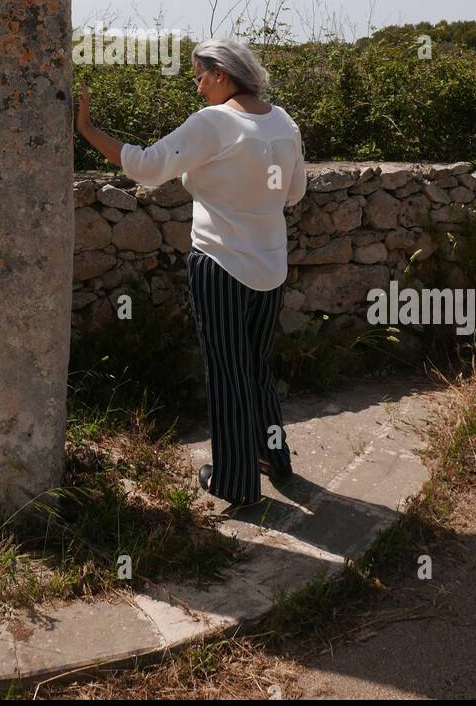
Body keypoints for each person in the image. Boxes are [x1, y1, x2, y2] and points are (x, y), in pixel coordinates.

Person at [75, 36, 307, 506]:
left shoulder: (215, 123)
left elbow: (146, 166)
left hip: (221, 265)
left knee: (227, 372)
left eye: (200, 76)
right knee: (255, 368)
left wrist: (88, 130)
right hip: (271, 265)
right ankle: (272, 457)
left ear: (221, 74)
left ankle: (235, 482)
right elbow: (295, 193)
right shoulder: (283, 122)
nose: (198, 87)